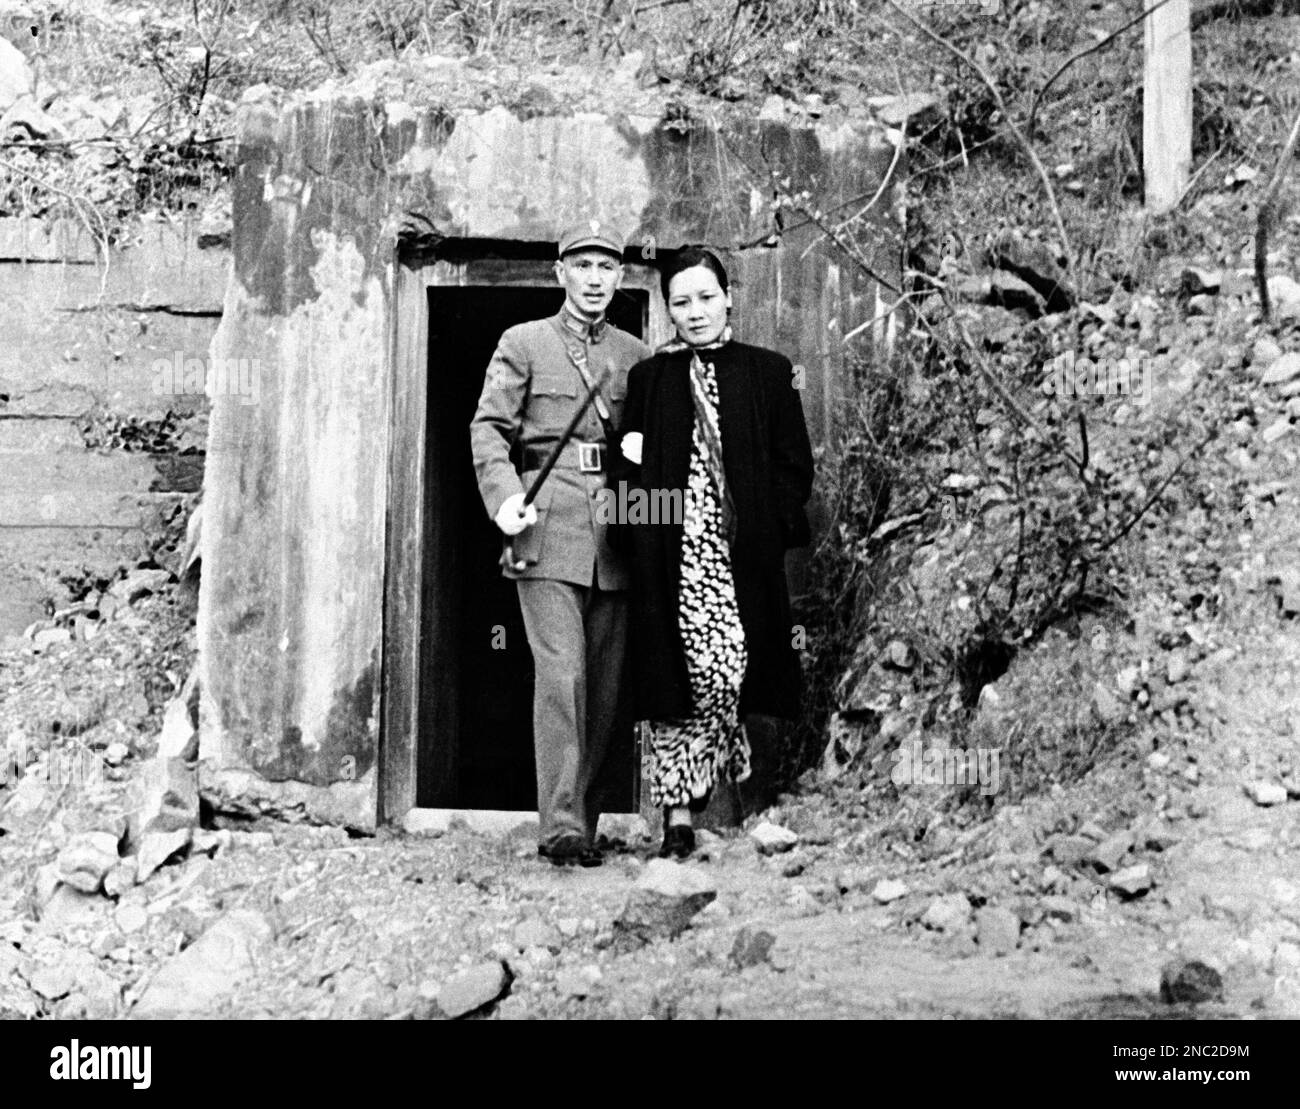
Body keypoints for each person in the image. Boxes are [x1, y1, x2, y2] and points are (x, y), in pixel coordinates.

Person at [610, 246, 814, 858]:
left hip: (737, 559)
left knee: (727, 669)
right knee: (675, 677)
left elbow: (793, 464)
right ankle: (677, 816)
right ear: (667, 309)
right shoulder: (651, 379)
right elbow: (628, 460)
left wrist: (766, 529)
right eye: (681, 301)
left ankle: (716, 793)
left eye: (705, 297)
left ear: (728, 298)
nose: (694, 312)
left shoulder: (769, 372)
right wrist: (634, 531)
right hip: (671, 560)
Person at [470, 220, 651, 867]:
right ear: (560, 273)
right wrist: (503, 497)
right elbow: (489, 428)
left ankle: (589, 820)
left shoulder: (636, 354)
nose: (596, 279)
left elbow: (655, 437)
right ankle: (561, 824)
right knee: (562, 674)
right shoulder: (524, 342)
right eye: (584, 266)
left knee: (604, 689)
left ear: (621, 277)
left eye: (608, 267)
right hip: (545, 528)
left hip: (617, 530)